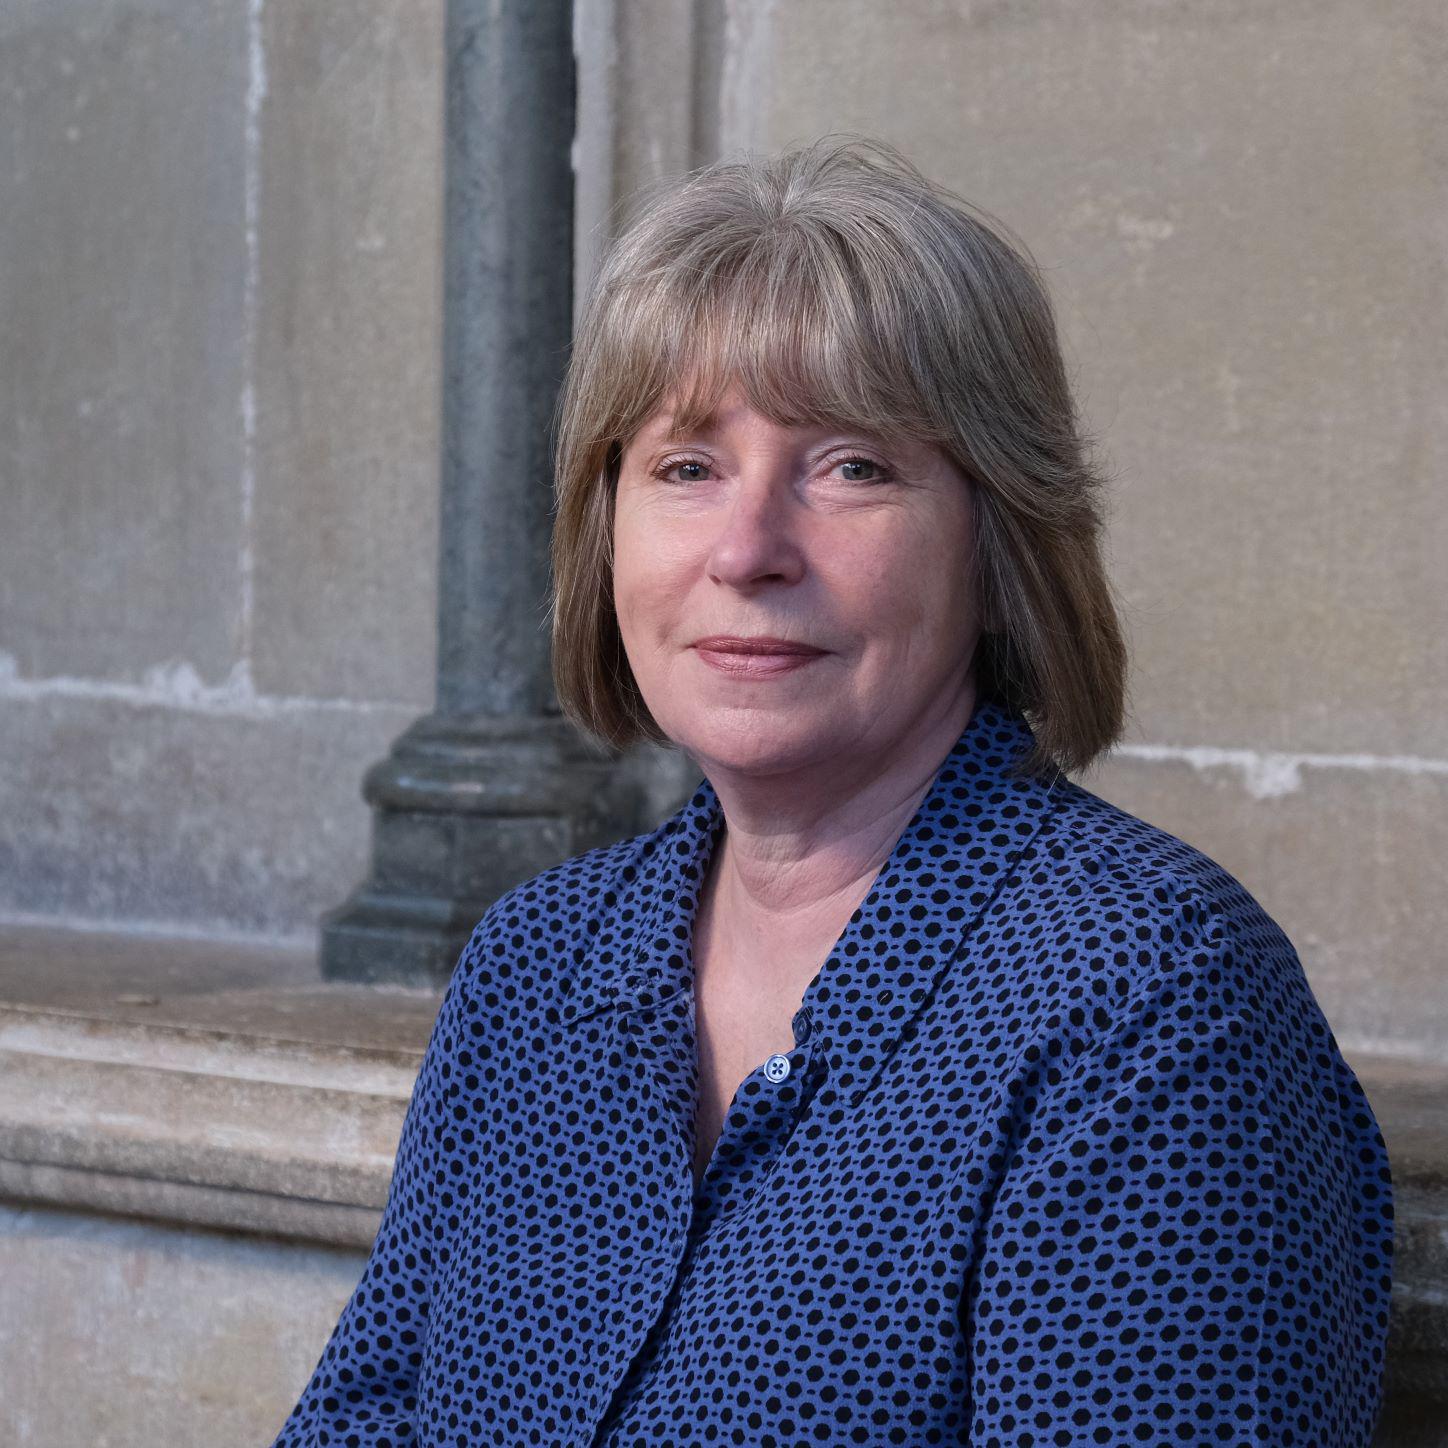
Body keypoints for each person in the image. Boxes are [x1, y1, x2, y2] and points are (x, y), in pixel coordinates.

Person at [269, 134, 1393, 1447]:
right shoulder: (538, 964)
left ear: (1000, 540)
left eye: (852, 464)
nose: (748, 550)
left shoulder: (1147, 1000)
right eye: (686, 467)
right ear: (607, 523)